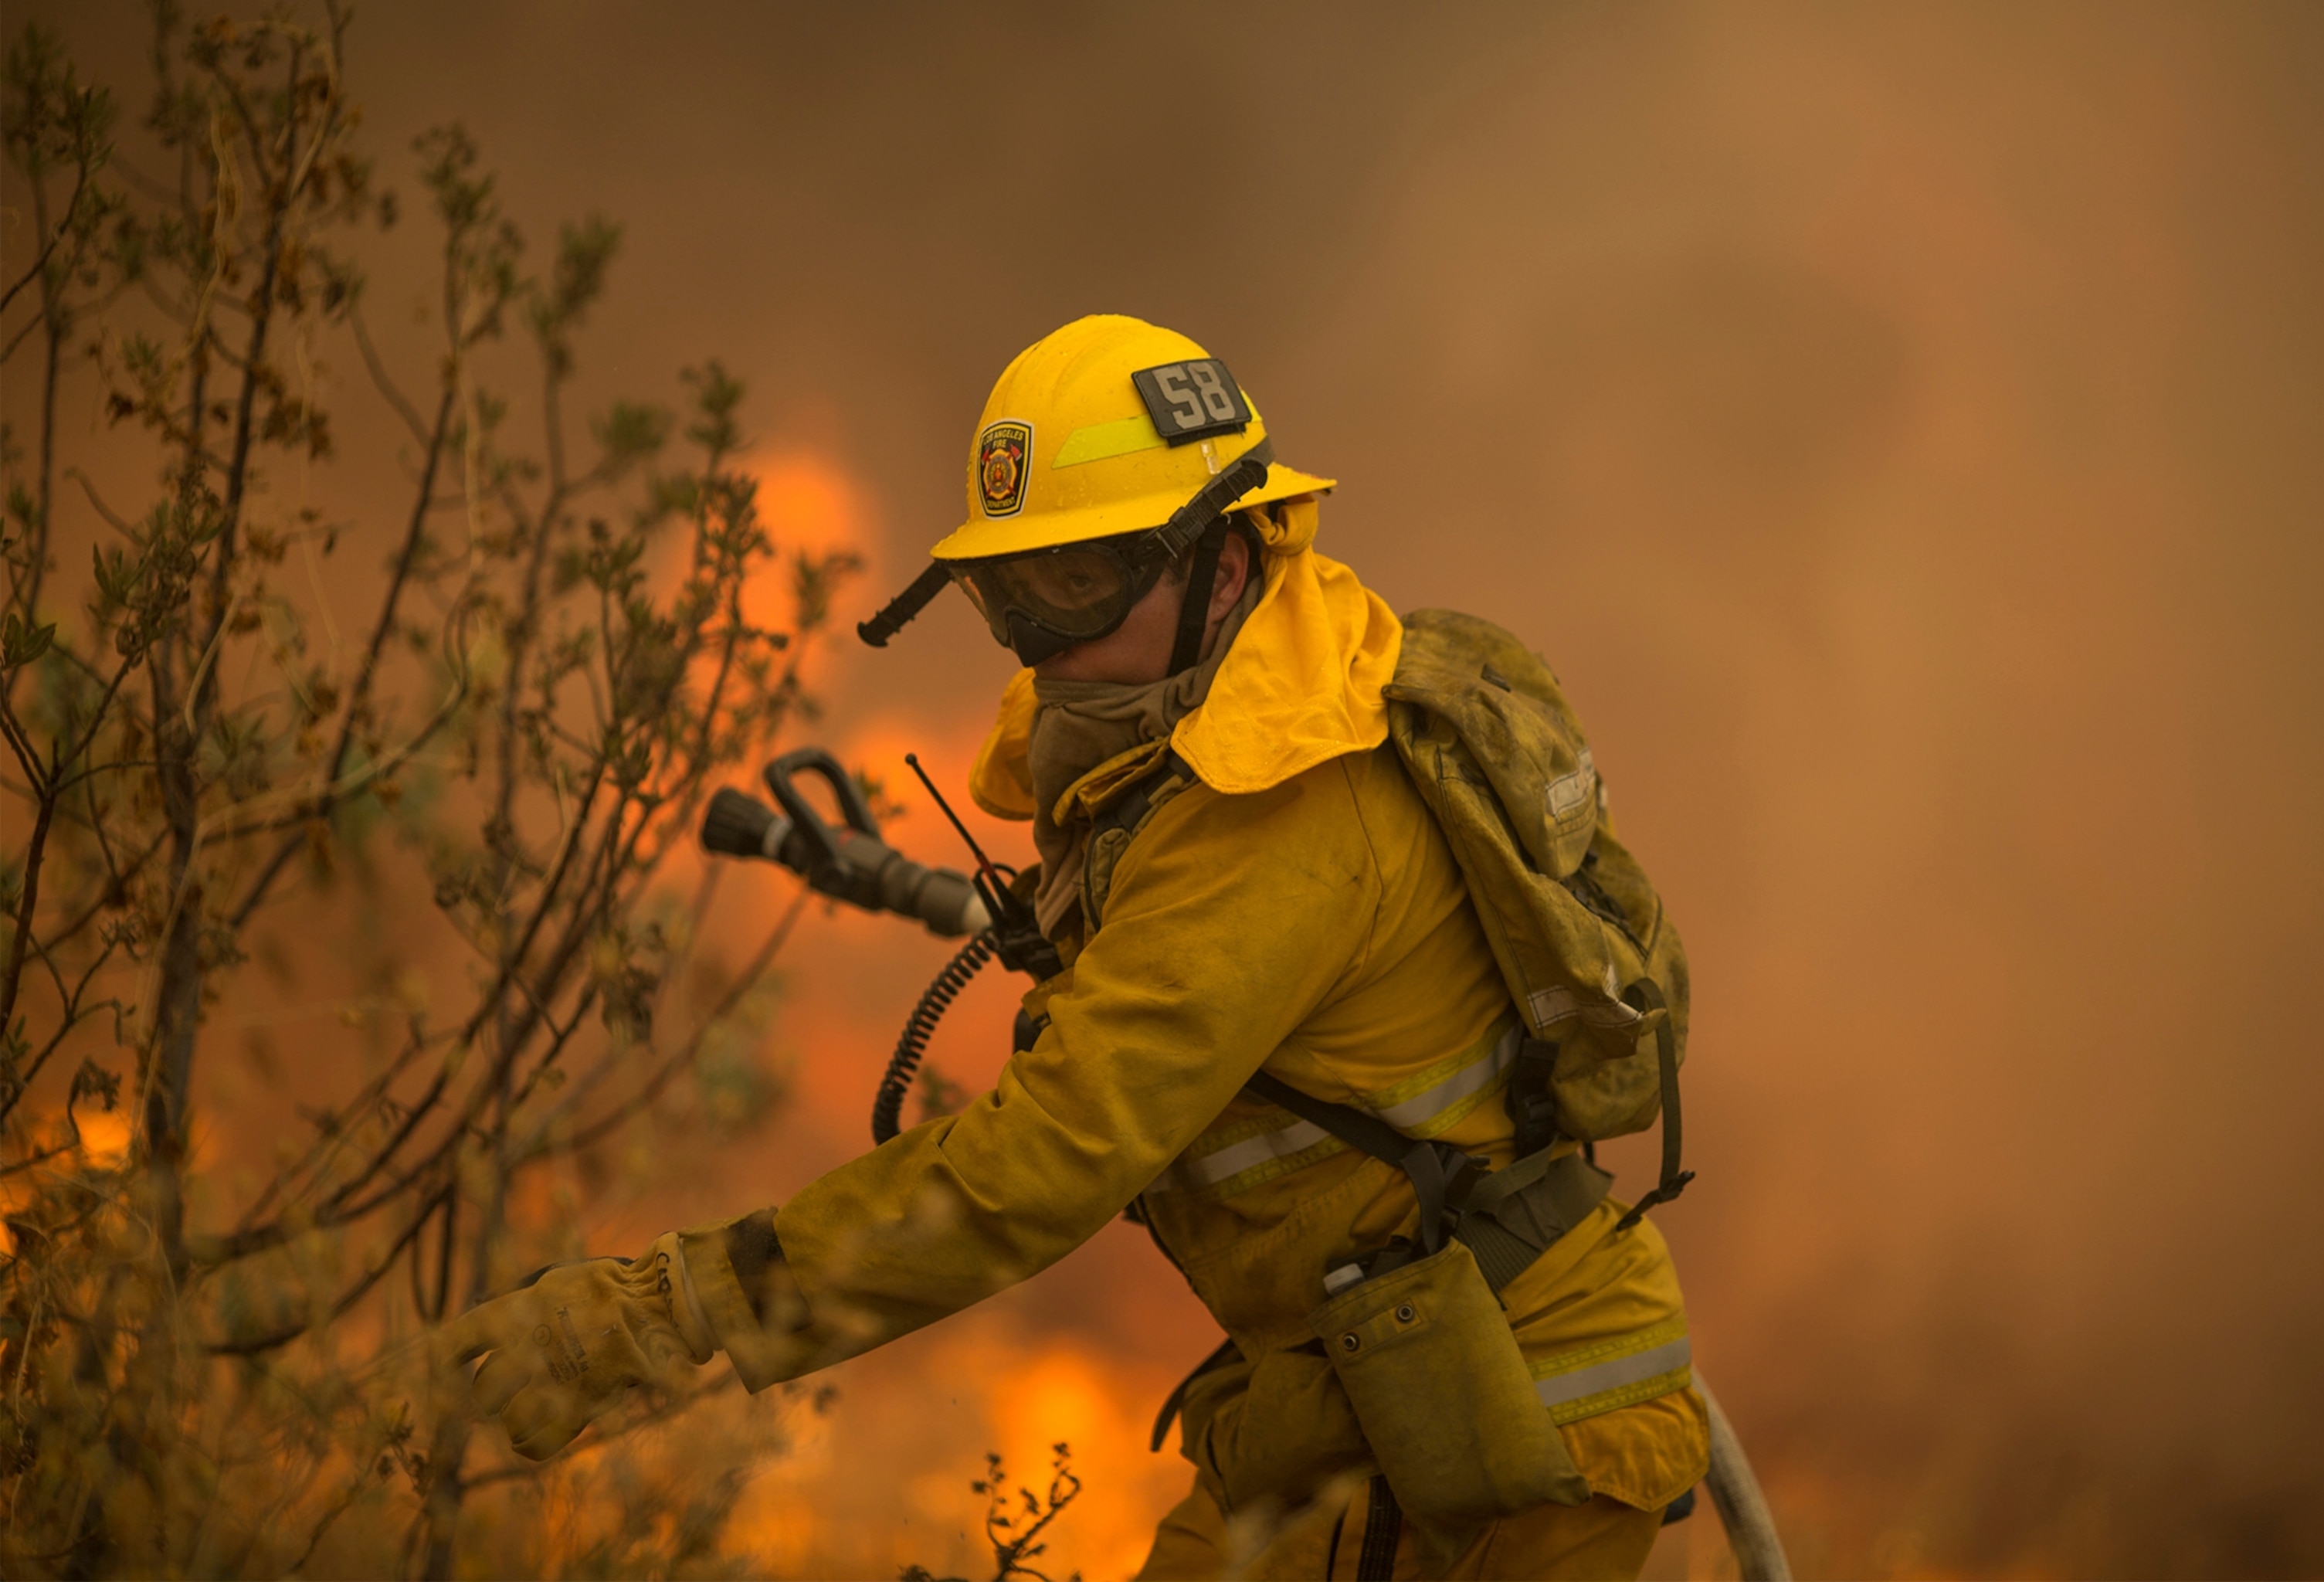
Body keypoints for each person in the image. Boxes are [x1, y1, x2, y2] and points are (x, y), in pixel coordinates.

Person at [446, 315, 1710, 1580]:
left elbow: (1044, 1161)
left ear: (1224, 560)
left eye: (1082, 585)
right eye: (1015, 596)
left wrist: (672, 1311)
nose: (1047, 645)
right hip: (1358, 1390)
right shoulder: (1215, 718)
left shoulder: (1288, 806)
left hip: (1516, 1430)